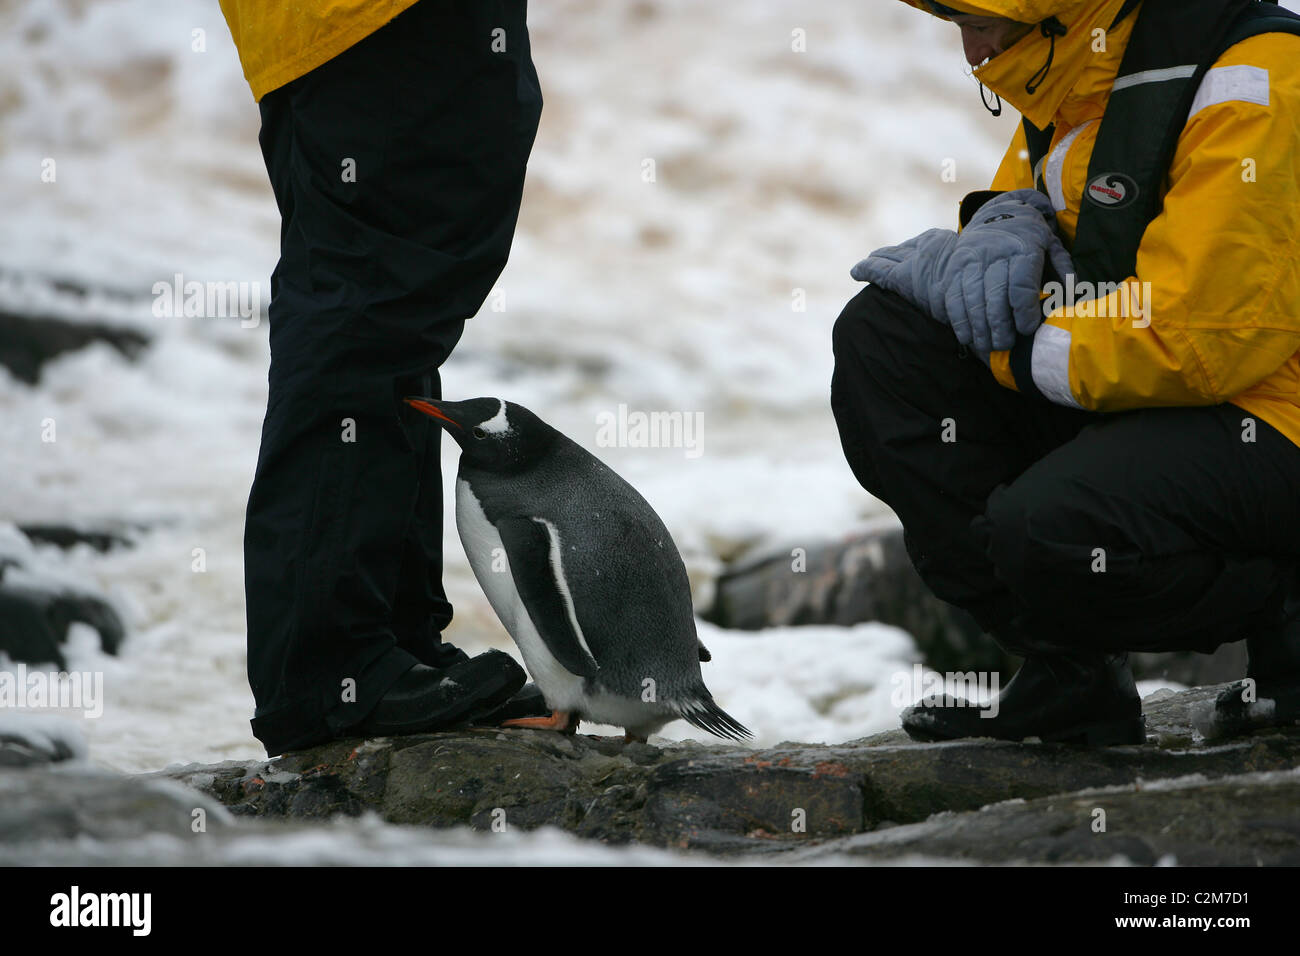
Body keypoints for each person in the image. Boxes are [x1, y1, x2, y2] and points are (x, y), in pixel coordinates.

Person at [832, 0, 1300, 744]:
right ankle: (1071, 676)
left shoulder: (1255, 72)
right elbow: (1050, 230)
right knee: (883, 342)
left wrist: (1006, 347)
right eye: (959, 25)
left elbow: (1203, 341)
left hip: (1270, 416)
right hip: (1146, 389)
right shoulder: (1075, 67)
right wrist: (1000, 221)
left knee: (1048, 531)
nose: (973, 53)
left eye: (987, 26)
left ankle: (1288, 612)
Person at [218, 1, 546, 756]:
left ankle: (386, 637)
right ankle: (332, 668)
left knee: (398, 297)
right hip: (371, 18)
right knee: (372, 285)